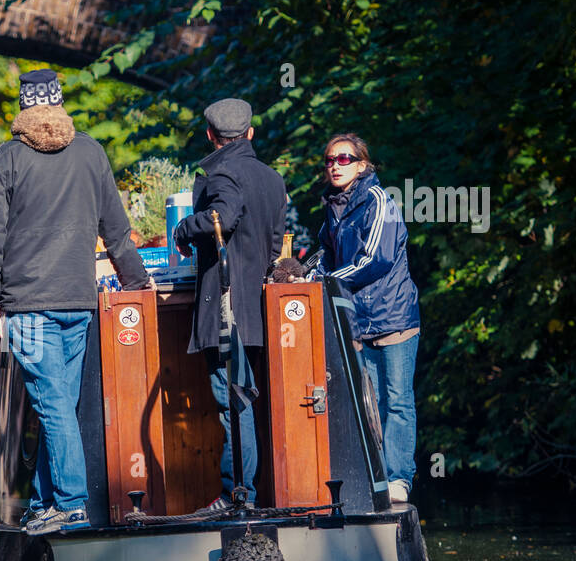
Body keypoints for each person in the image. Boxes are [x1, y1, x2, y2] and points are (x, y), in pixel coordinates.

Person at [0, 68, 151, 536]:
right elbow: (116, 225)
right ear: (59, 102)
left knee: (53, 407)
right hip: (78, 301)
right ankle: (43, 502)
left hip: (28, 304)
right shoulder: (90, 152)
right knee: (59, 406)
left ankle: (70, 504)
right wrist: (136, 280)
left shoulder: (5, 159)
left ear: (23, 108)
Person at [172, 97, 288, 510]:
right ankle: (248, 494)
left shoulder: (221, 172)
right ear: (250, 133)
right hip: (255, 311)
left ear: (211, 135)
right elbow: (275, 246)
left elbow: (224, 216)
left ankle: (237, 497)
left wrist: (185, 227)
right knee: (243, 399)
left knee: (232, 404)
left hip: (226, 312)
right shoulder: (272, 179)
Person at [311, 133, 420, 503]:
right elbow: (325, 255)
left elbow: (375, 259)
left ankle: (399, 478)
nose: (335, 166)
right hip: (359, 321)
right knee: (367, 402)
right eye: (329, 160)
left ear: (362, 165)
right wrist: (299, 276)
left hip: (394, 318)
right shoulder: (332, 206)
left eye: (344, 159)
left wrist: (325, 282)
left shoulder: (378, 200)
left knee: (397, 401)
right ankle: (375, 477)